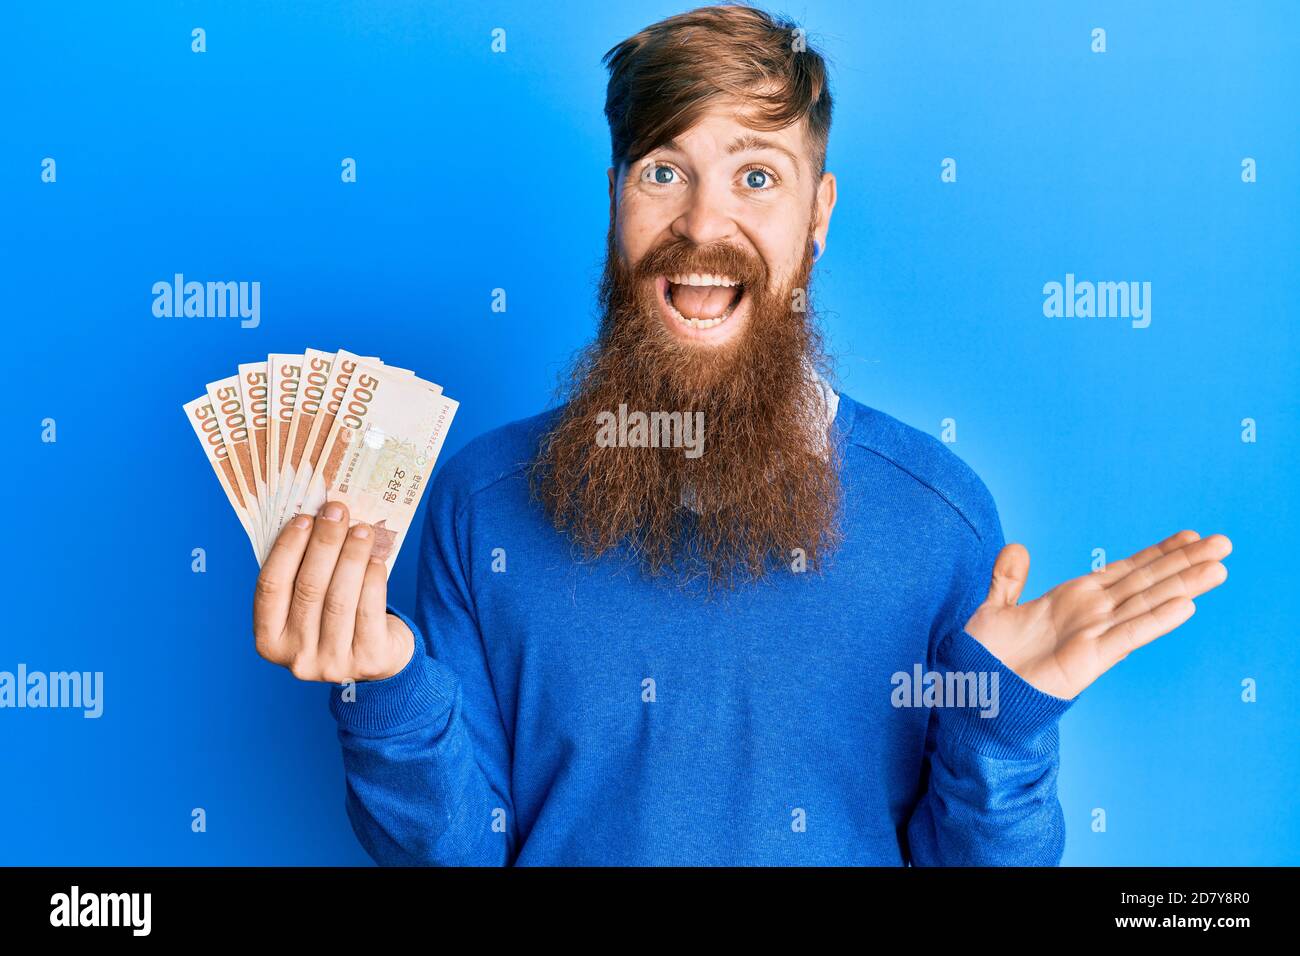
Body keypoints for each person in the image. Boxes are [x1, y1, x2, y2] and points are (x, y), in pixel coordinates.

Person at [250, 4, 1232, 865]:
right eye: (664, 170)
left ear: (819, 215)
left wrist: (1003, 723)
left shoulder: (941, 517)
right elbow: (456, 852)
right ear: (615, 198)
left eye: (756, 176)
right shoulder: (481, 500)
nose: (702, 221)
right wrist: (384, 689)